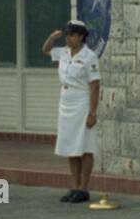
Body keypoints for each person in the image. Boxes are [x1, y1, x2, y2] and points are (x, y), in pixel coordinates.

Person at [43, 20, 101, 204]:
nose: (68, 38)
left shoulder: (89, 56)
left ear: (81, 36)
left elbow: (94, 85)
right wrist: (52, 38)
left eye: (72, 35)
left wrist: (93, 113)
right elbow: (46, 50)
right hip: (66, 103)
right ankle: (74, 186)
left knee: (85, 146)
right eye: (67, 35)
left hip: (81, 103)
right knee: (70, 147)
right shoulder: (64, 53)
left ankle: (84, 188)